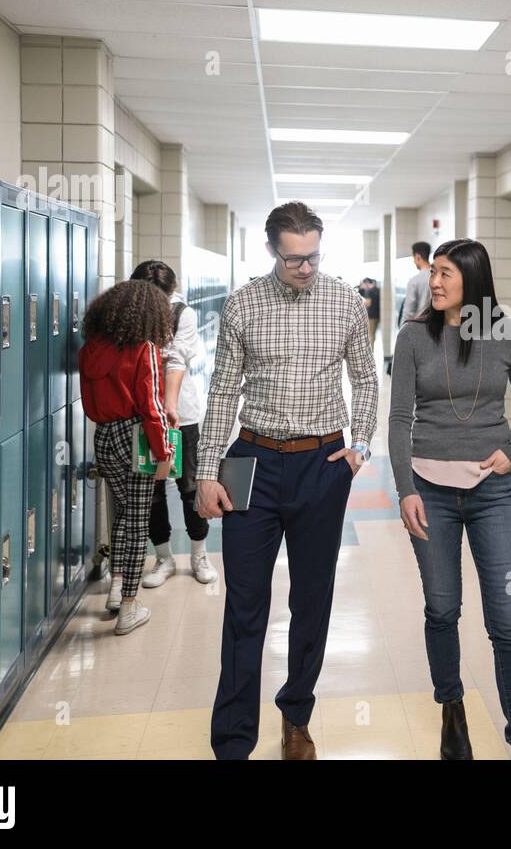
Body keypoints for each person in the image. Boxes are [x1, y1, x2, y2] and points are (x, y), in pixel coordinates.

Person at [194, 201, 377, 761]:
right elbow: (223, 390)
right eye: (295, 258)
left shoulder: (346, 300)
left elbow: (365, 378)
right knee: (245, 603)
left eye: (314, 255)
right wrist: (205, 471)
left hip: (322, 464)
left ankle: (296, 717)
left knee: (312, 599)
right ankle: (232, 741)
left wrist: (360, 445)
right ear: (274, 250)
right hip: (251, 459)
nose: (306, 267)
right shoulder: (244, 304)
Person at [389, 238, 511, 760]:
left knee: (507, 621)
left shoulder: (510, 335)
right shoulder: (412, 336)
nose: (434, 282)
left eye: (446, 273)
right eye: (433, 272)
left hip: (493, 493)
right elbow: (398, 419)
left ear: (472, 280)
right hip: (429, 491)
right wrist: (406, 489)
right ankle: (451, 710)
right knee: (442, 608)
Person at [78, 279, 176, 635]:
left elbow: (89, 402)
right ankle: (128, 610)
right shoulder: (143, 349)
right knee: (136, 524)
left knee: (123, 516)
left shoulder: (90, 349)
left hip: (103, 437)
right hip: (136, 436)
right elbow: (151, 407)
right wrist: (163, 452)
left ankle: (117, 589)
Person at [129, 260, 217, 588]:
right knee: (151, 487)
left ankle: (199, 553)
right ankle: (163, 558)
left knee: (189, 486)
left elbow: (177, 357)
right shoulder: (131, 310)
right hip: (142, 413)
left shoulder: (183, 314)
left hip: (182, 414)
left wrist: (169, 405)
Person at [399, 241, 431, 325]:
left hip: (418, 328)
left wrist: (402, 331)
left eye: (413, 258)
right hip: (436, 328)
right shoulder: (440, 278)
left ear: (418, 257)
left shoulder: (414, 281)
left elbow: (408, 312)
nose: (414, 261)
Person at [361, 277, 381, 349]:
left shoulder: (369, 291)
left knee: (370, 335)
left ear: (367, 283)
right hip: (378, 316)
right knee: (374, 334)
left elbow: (368, 303)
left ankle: (370, 351)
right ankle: (372, 349)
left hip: (370, 316)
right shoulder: (379, 290)